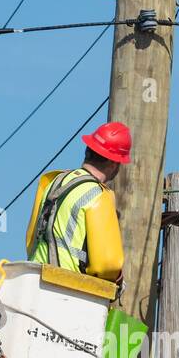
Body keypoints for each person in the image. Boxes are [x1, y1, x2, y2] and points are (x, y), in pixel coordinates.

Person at [25, 121, 129, 282]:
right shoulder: (98, 194)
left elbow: (31, 239)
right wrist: (116, 277)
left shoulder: (54, 181)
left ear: (88, 150)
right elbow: (107, 265)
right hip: (68, 288)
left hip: (33, 277)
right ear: (114, 163)